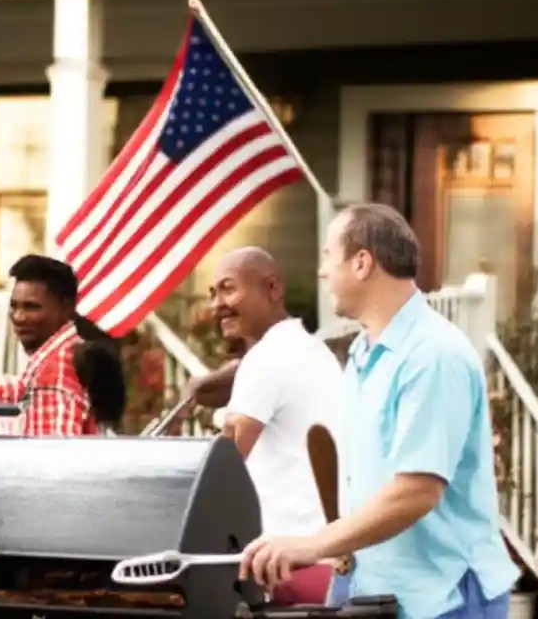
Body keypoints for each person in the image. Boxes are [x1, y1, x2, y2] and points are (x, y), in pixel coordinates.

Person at [238, 203, 519, 619]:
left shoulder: (432, 355)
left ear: (362, 263)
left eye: (329, 256)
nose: (322, 272)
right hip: (371, 590)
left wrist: (312, 544)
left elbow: (417, 489)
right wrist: (332, 554)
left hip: (443, 598)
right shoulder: (362, 354)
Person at [207, 247, 341, 604]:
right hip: (327, 560)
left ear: (273, 288)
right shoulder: (311, 350)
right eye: (213, 294)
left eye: (228, 288)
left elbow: (222, 468)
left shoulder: (267, 356)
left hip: (286, 566)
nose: (217, 304)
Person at [0, 254, 125, 436]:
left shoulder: (54, 371)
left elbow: (49, 458)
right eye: (14, 306)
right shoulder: (68, 353)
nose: (18, 317)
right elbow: (10, 389)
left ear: (66, 309)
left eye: (31, 307)